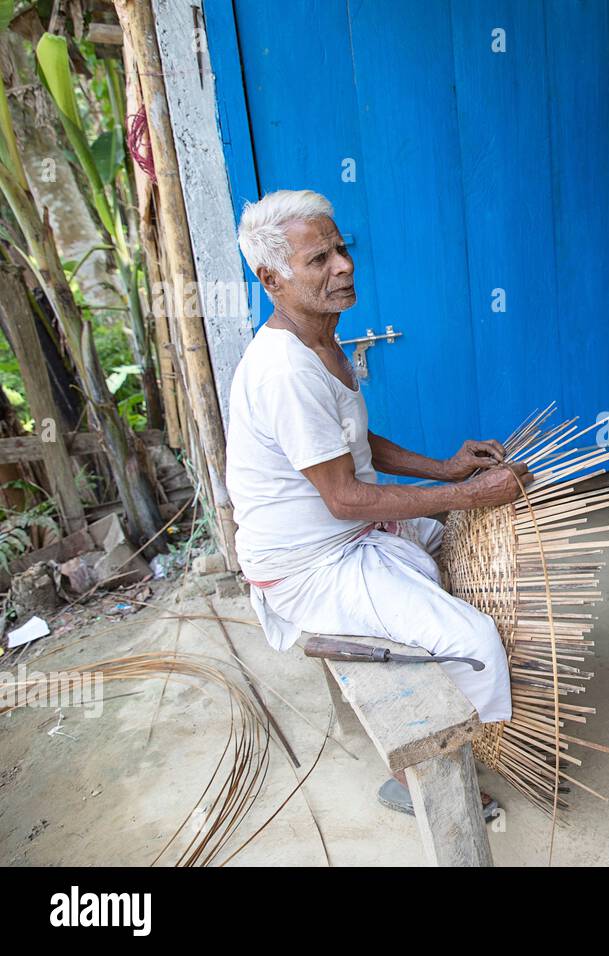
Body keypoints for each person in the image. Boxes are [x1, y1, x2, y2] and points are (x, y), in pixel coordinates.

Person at [227, 189, 529, 817]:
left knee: (466, 537)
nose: (343, 265)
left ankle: (445, 702)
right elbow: (344, 496)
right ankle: (424, 779)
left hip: (348, 534)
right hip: (309, 565)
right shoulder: (285, 370)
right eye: (320, 259)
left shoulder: (321, 339)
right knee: (473, 638)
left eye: (342, 249)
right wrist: (465, 492)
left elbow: (354, 441)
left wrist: (444, 469)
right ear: (271, 278)